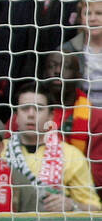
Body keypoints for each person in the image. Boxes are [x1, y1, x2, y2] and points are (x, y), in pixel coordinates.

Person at [6, 83, 102, 213]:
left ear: (51, 116)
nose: (31, 115)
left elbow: (95, 208)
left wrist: (71, 205)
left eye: (38, 109)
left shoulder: (71, 155)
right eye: (24, 108)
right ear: (16, 115)